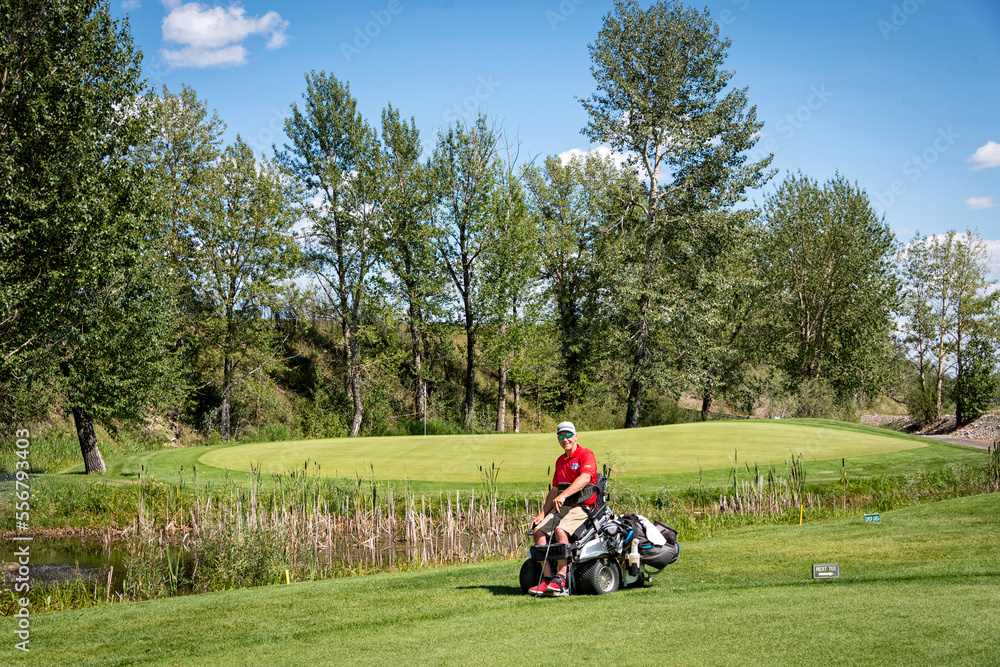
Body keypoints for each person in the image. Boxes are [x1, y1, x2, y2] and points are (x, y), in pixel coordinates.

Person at [527, 421, 598, 596]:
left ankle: (561, 578)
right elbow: (554, 490)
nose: (565, 439)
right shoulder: (560, 461)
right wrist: (542, 514)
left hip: (582, 506)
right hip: (562, 507)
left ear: (575, 436)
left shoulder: (586, 454)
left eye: (568, 435)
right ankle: (547, 579)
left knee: (560, 530)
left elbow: (585, 478)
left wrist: (564, 494)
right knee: (538, 532)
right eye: (561, 436)